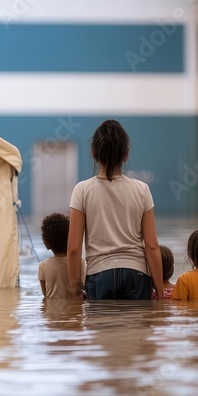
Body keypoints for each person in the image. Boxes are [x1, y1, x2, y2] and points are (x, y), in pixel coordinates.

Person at [67, 119, 164, 300]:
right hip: (136, 275)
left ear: (93, 152)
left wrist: (75, 290)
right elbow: (152, 246)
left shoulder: (82, 190)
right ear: (126, 154)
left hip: (99, 274)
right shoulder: (142, 190)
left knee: (103, 327)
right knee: (134, 328)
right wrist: (159, 293)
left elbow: (73, 249)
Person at [38, 213, 77, 299]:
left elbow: (46, 295)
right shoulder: (81, 263)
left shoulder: (43, 266)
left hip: (52, 311)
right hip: (75, 311)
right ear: (71, 239)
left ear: (46, 244)